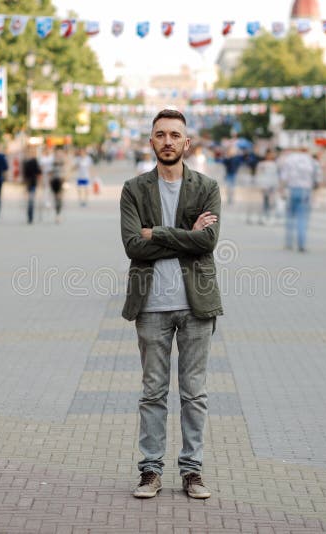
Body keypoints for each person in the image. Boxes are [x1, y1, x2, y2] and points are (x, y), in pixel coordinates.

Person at [120, 109, 222, 500]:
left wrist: (157, 233)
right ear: (151, 142)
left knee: (194, 393)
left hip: (196, 303)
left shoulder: (207, 187)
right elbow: (132, 244)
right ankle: (150, 471)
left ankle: (192, 472)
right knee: (153, 393)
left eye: (174, 134)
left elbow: (207, 242)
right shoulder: (133, 188)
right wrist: (185, 235)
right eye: (160, 134)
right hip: (150, 304)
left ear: (186, 143)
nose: (167, 141)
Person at [278, 145, 318, 252]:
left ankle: (288, 243)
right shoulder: (311, 160)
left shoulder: (289, 159)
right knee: (302, 218)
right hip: (305, 191)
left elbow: (283, 177)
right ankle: (301, 243)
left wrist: (281, 190)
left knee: (290, 217)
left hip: (292, 189)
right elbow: (316, 179)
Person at [251, 148, 279, 225]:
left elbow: (276, 176)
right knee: (265, 200)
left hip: (272, 185)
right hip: (265, 185)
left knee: (271, 201)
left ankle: (269, 216)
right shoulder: (262, 164)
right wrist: (258, 184)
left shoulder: (274, 164)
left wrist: (277, 185)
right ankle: (264, 215)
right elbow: (258, 174)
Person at [22, 148, 42, 224]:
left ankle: (30, 216)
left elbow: (24, 175)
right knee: (31, 200)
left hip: (29, 183)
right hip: (32, 183)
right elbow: (39, 173)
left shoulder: (26, 162)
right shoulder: (35, 162)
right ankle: (30, 216)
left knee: (30, 200)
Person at [49, 147, 66, 223]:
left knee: (59, 198)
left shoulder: (64, 162)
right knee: (56, 198)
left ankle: (58, 214)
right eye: (58, 153)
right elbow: (50, 173)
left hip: (61, 181)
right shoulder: (52, 161)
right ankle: (57, 213)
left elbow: (66, 172)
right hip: (54, 181)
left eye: (60, 153)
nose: (59, 154)